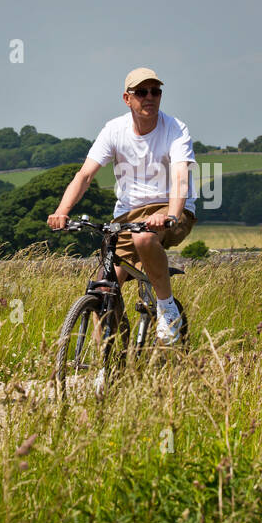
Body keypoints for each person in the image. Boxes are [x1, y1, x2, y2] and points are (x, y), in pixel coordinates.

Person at [47, 68, 196, 343]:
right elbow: (85, 175)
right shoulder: (114, 130)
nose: (149, 97)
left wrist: (171, 216)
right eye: (142, 92)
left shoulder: (175, 128)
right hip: (128, 213)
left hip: (171, 206)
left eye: (155, 91)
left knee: (144, 237)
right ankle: (114, 358)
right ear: (127, 99)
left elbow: (180, 179)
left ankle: (166, 307)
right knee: (103, 289)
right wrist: (62, 211)